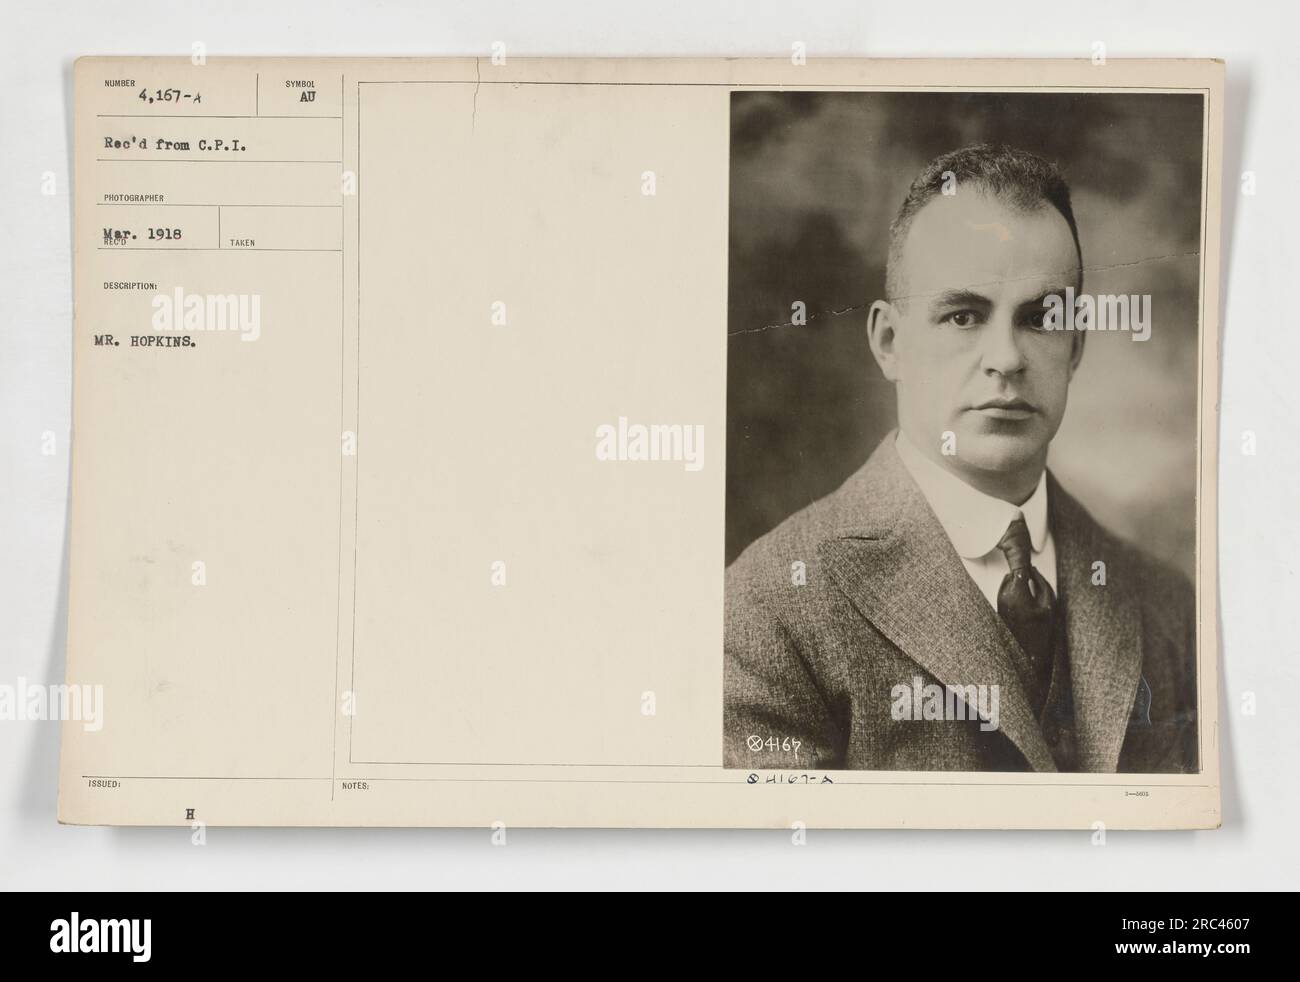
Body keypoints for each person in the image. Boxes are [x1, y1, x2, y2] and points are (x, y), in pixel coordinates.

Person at [723, 144, 1198, 773]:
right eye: (964, 315)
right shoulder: (770, 612)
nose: (1006, 358)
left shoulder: (1167, 605)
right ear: (890, 343)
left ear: (1076, 347)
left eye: (1039, 318)